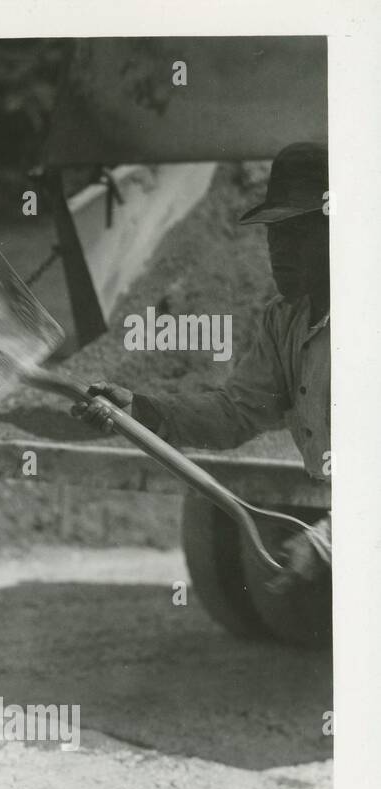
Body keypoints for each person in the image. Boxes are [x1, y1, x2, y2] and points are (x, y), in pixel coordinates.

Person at [71, 142, 331, 593]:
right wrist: (144, 411)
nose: (278, 249)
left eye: (295, 232)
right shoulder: (285, 319)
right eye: (272, 233)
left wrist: (328, 543)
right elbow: (236, 413)